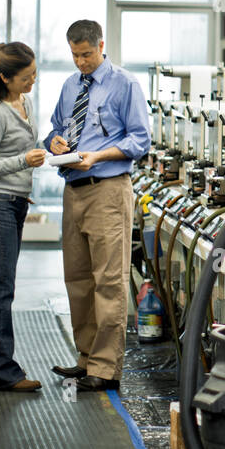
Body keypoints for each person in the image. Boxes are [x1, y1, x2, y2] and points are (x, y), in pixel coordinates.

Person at [45, 20, 151, 392]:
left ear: (101, 46)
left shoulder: (125, 84)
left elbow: (140, 140)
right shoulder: (70, 85)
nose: (81, 62)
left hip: (107, 188)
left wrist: (98, 155)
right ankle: (86, 358)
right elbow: (55, 128)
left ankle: (105, 369)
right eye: (74, 55)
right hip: (73, 189)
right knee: (77, 278)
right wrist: (55, 143)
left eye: (86, 54)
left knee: (109, 280)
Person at [0, 42, 47, 392]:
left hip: (12, 203)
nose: (32, 81)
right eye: (26, 77)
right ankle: (3, 373)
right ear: (5, 78)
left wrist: (49, 146)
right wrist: (22, 163)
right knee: (1, 289)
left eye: (34, 74)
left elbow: (23, 148)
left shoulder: (25, 104)